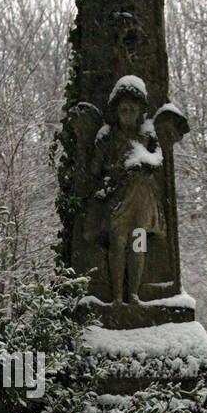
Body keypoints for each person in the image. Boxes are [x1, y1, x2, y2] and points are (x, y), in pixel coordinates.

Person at [88, 77, 167, 304]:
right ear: (116, 111)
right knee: (118, 244)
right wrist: (116, 165)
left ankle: (133, 293)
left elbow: (158, 160)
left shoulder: (147, 135)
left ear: (140, 111)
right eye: (123, 109)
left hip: (142, 201)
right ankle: (116, 296)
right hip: (117, 200)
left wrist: (143, 163)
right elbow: (95, 168)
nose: (128, 113)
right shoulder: (108, 136)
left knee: (138, 245)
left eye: (132, 109)